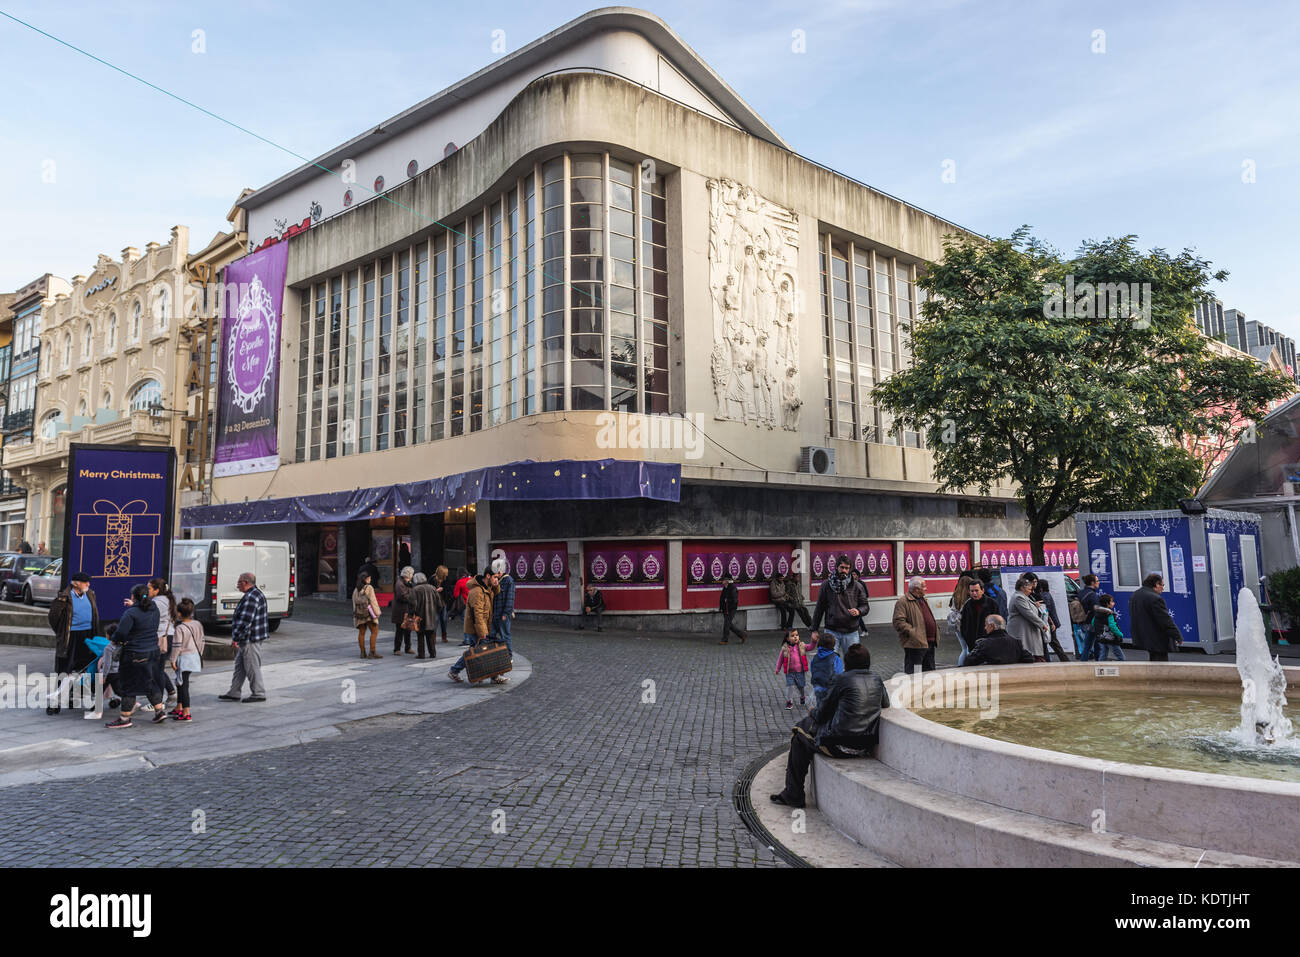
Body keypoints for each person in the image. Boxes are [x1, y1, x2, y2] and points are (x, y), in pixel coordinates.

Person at [770, 644, 889, 808]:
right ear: (868, 662)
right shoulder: (876, 678)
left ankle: (793, 794)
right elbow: (886, 703)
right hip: (866, 744)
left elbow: (821, 713)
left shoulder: (841, 680)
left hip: (839, 745)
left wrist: (812, 711)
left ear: (846, 664)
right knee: (806, 729)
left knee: (799, 733)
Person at [105, 584, 166, 729]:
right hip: (153, 651)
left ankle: (125, 718)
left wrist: (114, 639)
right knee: (149, 681)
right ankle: (159, 711)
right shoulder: (154, 609)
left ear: (134, 596)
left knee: (128, 685)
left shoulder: (131, 613)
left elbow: (121, 633)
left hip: (135, 653)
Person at [46, 571, 100, 715]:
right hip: (71, 637)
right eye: (85, 582)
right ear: (75, 583)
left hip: (88, 636)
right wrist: (62, 633)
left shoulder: (90, 594)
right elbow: (53, 617)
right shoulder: (63, 597)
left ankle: (80, 697)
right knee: (65, 670)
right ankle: (55, 703)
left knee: (87, 670)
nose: (88, 584)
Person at [218, 572, 268, 702]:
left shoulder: (251, 597)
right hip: (250, 637)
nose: (237, 584)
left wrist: (236, 638)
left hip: (249, 638)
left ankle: (258, 693)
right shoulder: (255, 594)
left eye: (239, 582)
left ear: (245, 582)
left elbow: (246, 621)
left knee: (252, 665)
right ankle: (234, 691)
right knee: (240, 665)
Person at [448, 569, 504, 683]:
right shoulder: (477, 591)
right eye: (495, 578)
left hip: (481, 626)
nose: (496, 580)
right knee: (483, 650)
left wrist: (496, 584)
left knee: (474, 651)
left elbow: (496, 592)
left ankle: (454, 671)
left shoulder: (486, 588)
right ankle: (494, 677)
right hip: (476, 628)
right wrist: (482, 632)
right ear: (488, 576)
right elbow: (477, 613)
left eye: (498, 578)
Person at [812, 556, 869, 657]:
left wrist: (858, 611)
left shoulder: (857, 586)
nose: (844, 570)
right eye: (842, 567)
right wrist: (814, 629)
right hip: (831, 631)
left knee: (853, 663)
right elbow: (819, 608)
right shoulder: (826, 585)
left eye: (847, 568)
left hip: (851, 632)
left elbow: (865, 606)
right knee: (829, 663)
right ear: (836, 567)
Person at [1129, 573, 1181, 662]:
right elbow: (1165, 620)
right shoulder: (1155, 598)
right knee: (1161, 666)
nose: (1163, 588)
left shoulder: (1136, 595)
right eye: (1163, 585)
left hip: (1142, 635)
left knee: (1153, 662)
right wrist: (1177, 635)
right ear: (1157, 584)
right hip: (1157, 638)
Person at [169, 597, 205, 721]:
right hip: (194, 656)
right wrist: (199, 653)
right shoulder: (198, 624)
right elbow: (202, 641)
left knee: (183, 685)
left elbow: (177, 646)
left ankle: (186, 711)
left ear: (179, 613)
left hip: (183, 658)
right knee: (181, 682)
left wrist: (172, 660)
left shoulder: (180, 628)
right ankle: (179, 707)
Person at [892, 575, 937, 673]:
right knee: (915, 674)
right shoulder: (903, 602)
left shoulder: (922, 599)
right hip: (915, 645)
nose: (926, 589)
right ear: (916, 589)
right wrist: (914, 633)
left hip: (929, 643)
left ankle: (927, 688)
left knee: (929, 672)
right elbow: (898, 622)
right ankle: (915, 688)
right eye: (924, 586)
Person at [147, 577, 178, 708]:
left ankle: (158, 700)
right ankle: (171, 692)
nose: (147, 590)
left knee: (156, 670)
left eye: (149, 588)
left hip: (161, 638)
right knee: (157, 668)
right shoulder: (166, 600)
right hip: (167, 636)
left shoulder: (158, 602)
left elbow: (147, 614)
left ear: (157, 590)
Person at [964, 615, 1035, 666]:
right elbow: (1029, 658)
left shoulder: (985, 644)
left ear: (992, 626)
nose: (985, 628)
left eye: (986, 625)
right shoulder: (1016, 642)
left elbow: (968, 661)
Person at [1007, 573, 1048, 660]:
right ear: (1022, 588)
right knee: (1026, 657)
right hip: (1022, 634)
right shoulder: (1019, 597)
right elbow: (1029, 613)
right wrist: (1042, 624)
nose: (1030, 591)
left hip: (1027, 633)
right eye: (1029, 589)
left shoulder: (1023, 596)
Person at [958, 578, 998, 667]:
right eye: (972, 591)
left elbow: (998, 623)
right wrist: (968, 639)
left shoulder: (992, 604)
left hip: (989, 644)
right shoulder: (967, 606)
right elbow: (963, 625)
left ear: (982, 590)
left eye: (976, 590)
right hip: (973, 645)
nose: (974, 593)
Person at [1035, 579, 1071, 662]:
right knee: (1052, 643)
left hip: (1050, 623)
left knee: (1053, 643)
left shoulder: (1044, 596)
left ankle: (1065, 660)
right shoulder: (1047, 594)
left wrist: (1051, 623)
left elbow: (1045, 610)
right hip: (1051, 622)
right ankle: (1064, 660)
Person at [408, 572, 442, 659]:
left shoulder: (415, 590)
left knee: (420, 635)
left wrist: (411, 614)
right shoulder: (432, 588)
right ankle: (432, 653)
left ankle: (421, 654)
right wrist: (436, 611)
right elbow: (439, 603)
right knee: (430, 634)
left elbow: (413, 604)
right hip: (431, 615)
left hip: (420, 615)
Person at [774, 629, 810, 710]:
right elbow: (780, 659)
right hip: (789, 672)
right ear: (787, 638)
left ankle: (802, 696)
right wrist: (777, 669)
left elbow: (810, 647)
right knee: (790, 686)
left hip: (800, 671)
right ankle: (789, 701)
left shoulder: (801, 646)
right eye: (792, 636)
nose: (795, 637)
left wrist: (814, 642)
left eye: (796, 635)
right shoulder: (785, 648)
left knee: (801, 686)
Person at [808, 632, 843, 711]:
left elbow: (812, 669)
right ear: (833, 645)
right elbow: (839, 673)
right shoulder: (835, 658)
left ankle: (820, 720)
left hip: (817, 687)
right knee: (832, 709)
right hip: (830, 689)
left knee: (820, 708)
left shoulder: (815, 657)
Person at [352, 571, 381, 659]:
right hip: (369, 614)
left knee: (361, 633)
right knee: (374, 632)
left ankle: (362, 653)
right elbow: (373, 601)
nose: (370, 579)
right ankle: (372, 652)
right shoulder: (369, 588)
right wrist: (377, 612)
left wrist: (355, 614)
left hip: (359, 615)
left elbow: (354, 603)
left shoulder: (356, 589)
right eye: (369, 578)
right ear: (365, 579)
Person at [490, 556, 516, 657]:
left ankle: (509, 656)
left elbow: (510, 599)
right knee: (491, 635)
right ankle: (493, 654)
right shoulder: (496, 580)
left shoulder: (509, 580)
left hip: (503, 614)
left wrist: (506, 613)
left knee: (505, 635)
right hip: (495, 613)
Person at [1090, 594, 1128, 660]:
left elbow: (1093, 623)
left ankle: (1100, 667)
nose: (1114, 603)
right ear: (1107, 604)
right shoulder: (1109, 614)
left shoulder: (1097, 612)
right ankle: (1123, 668)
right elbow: (1112, 626)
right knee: (1121, 657)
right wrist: (1119, 634)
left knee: (1103, 654)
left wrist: (1099, 630)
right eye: (1112, 601)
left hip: (1101, 637)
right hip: (1111, 639)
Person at [947, 574, 974, 663]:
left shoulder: (955, 595)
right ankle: (966, 666)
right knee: (969, 648)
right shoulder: (969, 598)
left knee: (963, 648)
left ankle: (960, 665)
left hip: (956, 623)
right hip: (966, 623)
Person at [391, 565, 415, 655]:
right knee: (400, 630)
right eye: (412, 574)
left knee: (408, 629)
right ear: (408, 575)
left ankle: (408, 648)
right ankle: (397, 649)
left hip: (407, 610)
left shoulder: (406, 582)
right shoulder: (400, 583)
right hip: (401, 610)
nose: (412, 576)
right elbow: (402, 597)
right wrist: (412, 597)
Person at [718, 573, 746, 644]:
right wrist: (721, 607)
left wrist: (727, 601)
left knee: (727, 624)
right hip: (725, 609)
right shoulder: (725, 587)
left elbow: (734, 600)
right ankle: (742, 635)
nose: (722, 581)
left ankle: (725, 640)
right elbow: (722, 598)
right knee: (729, 625)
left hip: (731, 609)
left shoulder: (733, 588)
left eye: (723, 580)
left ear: (727, 580)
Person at [432, 565, 451, 643]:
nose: (447, 574)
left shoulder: (446, 580)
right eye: (445, 573)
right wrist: (436, 590)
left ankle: (444, 635)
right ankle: (433, 636)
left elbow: (449, 590)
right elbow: (430, 589)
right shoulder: (432, 579)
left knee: (444, 619)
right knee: (435, 619)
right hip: (435, 602)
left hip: (443, 602)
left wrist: (443, 589)